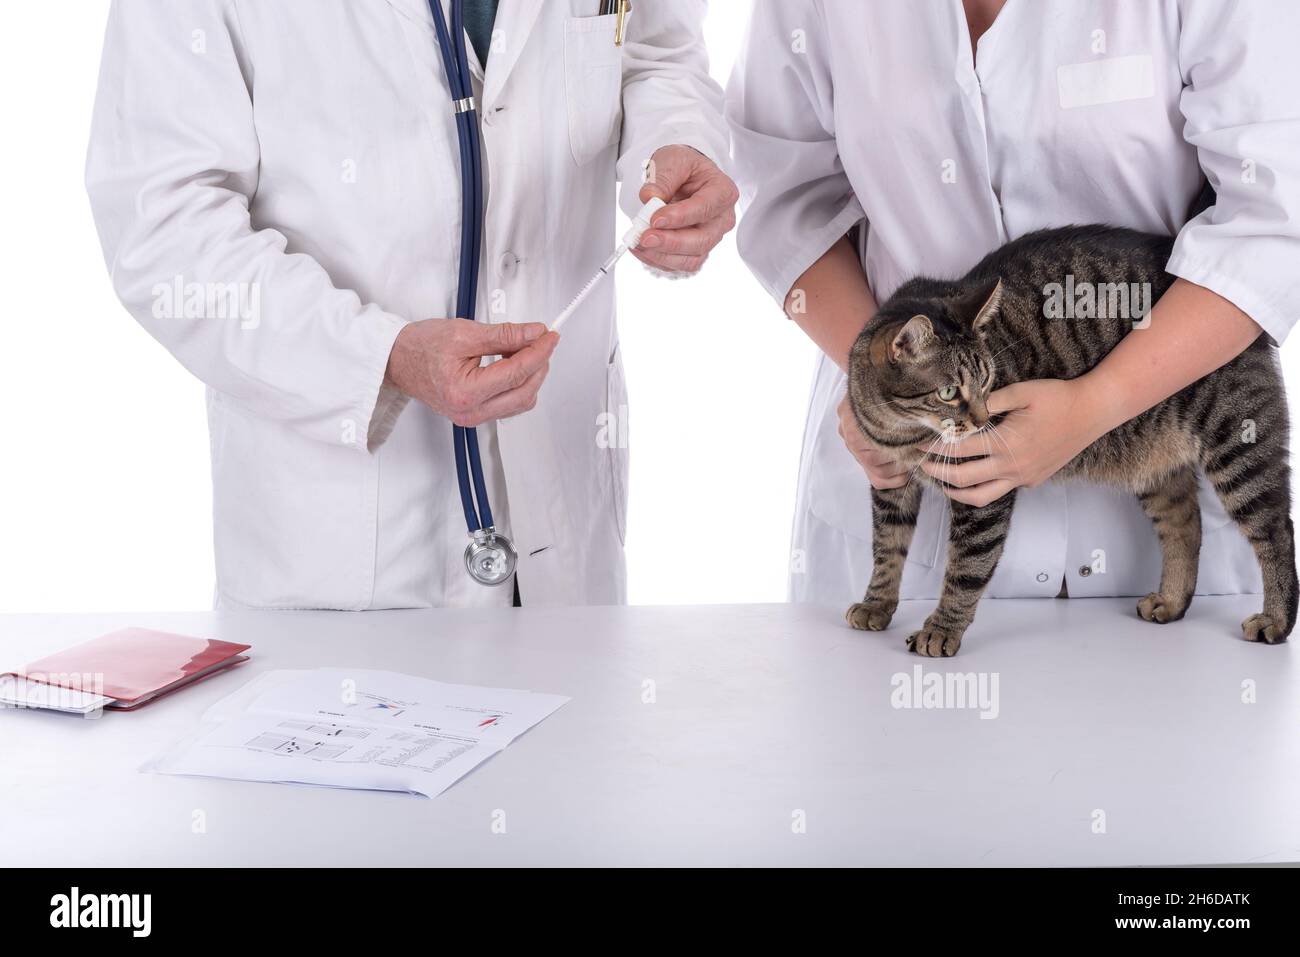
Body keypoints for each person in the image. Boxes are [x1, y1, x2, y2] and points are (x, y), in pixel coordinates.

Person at [87, 0, 737, 610]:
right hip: (345, 560)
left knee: (584, 717)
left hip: (564, 527)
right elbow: (162, 221)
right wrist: (381, 358)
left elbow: (656, 49)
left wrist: (677, 140)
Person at [726, 0, 1300, 605]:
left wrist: (1097, 403)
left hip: (1150, 472)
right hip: (910, 476)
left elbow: (1272, 221)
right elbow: (784, 201)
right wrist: (877, 385)